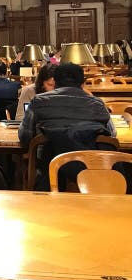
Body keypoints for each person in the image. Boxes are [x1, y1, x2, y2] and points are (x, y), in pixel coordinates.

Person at [18, 62, 116, 190]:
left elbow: (25, 136)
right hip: (93, 172)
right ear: (82, 84)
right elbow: (112, 135)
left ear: (56, 82)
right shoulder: (97, 103)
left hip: (50, 171)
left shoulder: (38, 101)